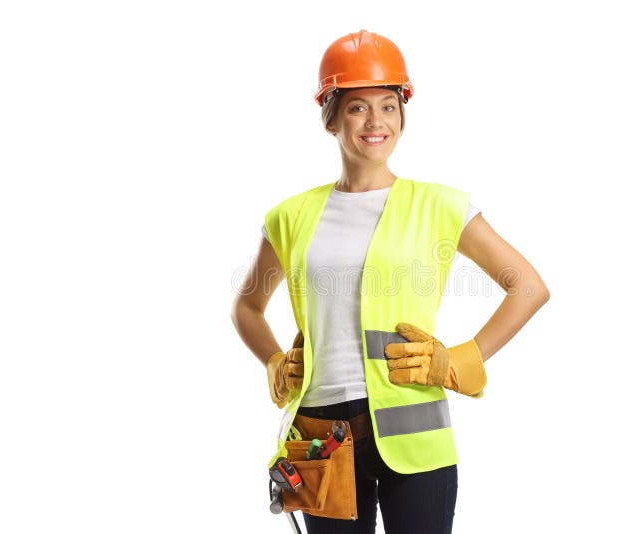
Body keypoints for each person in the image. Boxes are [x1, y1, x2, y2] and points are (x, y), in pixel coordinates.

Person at [231, 29, 550, 534]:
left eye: (389, 105)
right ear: (331, 116)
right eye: (358, 107)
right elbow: (246, 309)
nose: (376, 121)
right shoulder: (289, 217)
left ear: (403, 114)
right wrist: (272, 358)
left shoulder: (440, 205)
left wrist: (461, 360)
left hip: (417, 440)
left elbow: (528, 287)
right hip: (322, 439)